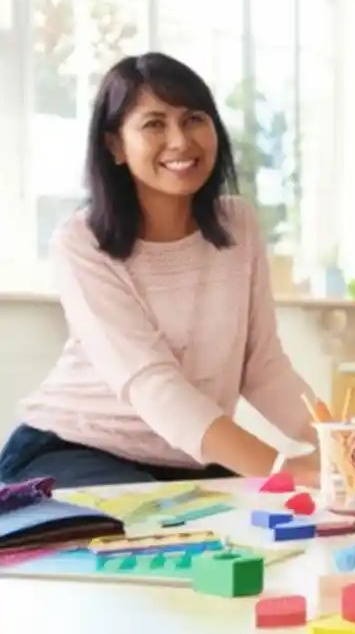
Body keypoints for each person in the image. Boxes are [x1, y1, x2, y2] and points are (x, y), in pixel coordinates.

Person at [0, 53, 321, 489]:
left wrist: (342, 438)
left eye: (193, 119)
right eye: (154, 124)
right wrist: (286, 469)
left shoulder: (238, 225)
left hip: (181, 460)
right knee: (170, 524)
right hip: (72, 449)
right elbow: (154, 385)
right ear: (115, 145)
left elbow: (261, 365)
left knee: (267, 515)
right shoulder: (81, 241)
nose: (180, 141)